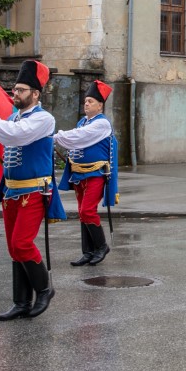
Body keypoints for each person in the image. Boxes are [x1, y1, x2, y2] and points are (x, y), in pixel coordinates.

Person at [0, 59, 61, 321]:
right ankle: (21, 302)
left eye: (21, 90)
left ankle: (44, 289)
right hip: (11, 192)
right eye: (14, 89)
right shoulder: (13, 117)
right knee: (13, 248)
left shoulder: (44, 118)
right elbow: (8, 134)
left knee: (22, 243)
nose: (16, 94)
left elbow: (17, 135)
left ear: (36, 94)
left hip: (34, 191)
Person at [55, 79, 117, 267]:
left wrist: (56, 136)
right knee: (83, 213)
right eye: (85, 101)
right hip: (79, 173)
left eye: (90, 101)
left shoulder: (101, 124)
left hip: (96, 173)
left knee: (87, 211)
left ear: (100, 105)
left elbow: (78, 137)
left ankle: (101, 246)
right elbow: (75, 139)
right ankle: (88, 252)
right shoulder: (83, 121)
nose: (86, 104)